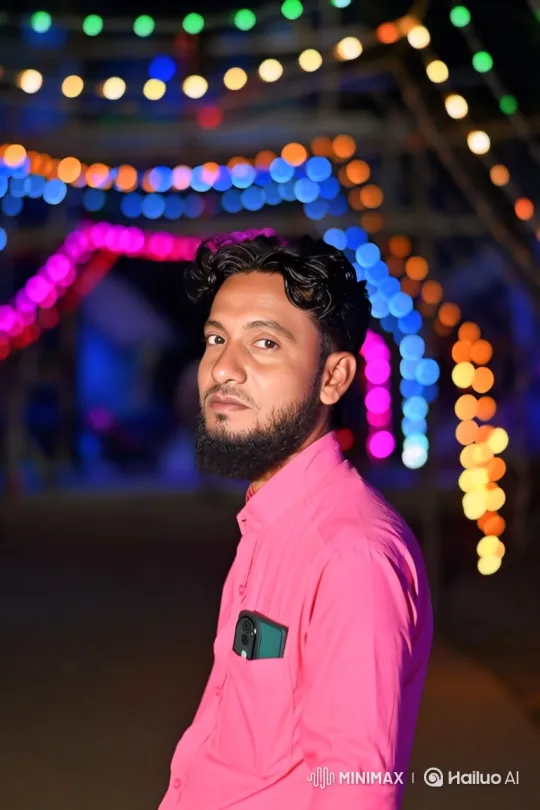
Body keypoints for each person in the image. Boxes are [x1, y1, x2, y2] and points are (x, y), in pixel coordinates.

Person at [158, 230, 433, 810]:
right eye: (215, 338)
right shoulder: (271, 523)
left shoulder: (350, 556)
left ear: (334, 377)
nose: (223, 368)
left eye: (264, 343)